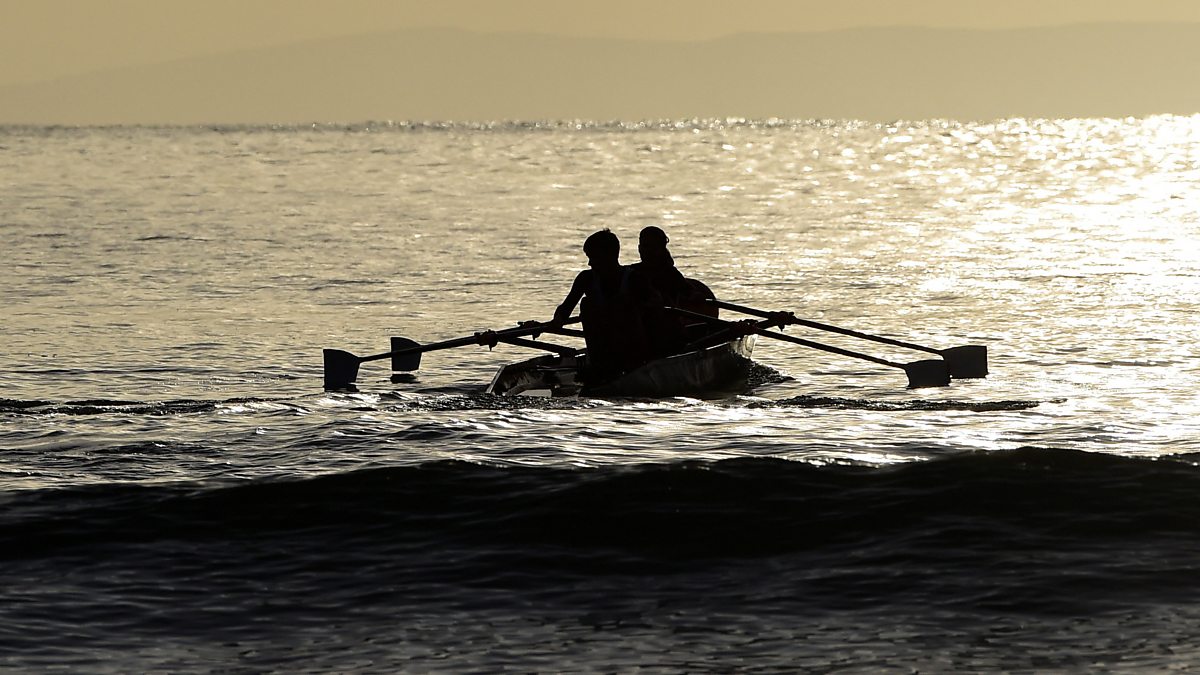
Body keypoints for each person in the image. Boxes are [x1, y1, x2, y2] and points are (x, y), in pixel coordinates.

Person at [553, 229, 648, 380]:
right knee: (588, 304)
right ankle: (601, 364)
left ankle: (625, 364)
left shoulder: (634, 280)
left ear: (609, 256)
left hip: (633, 352)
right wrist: (557, 320)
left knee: (619, 304)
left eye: (593, 257)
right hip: (601, 355)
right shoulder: (586, 278)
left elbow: (654, 312)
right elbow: (565, 310)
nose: (589, 263)